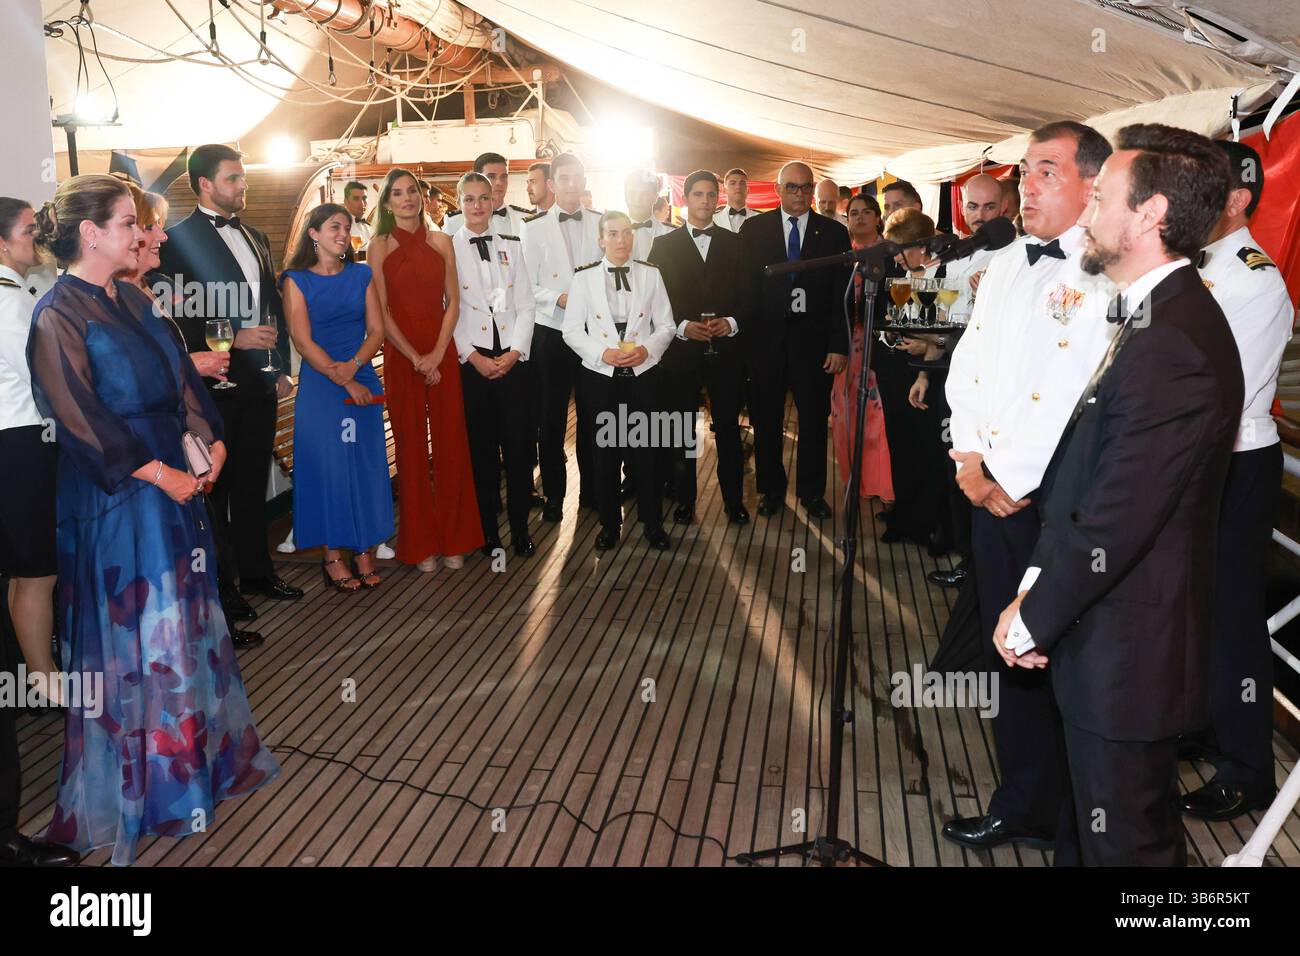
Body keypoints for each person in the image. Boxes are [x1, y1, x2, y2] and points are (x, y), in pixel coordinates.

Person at [993, 124, 1240, 866]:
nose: (1089, 210)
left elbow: (1120, 516)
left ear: (1149, 214)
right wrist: (1037, 585)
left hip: (1131, 654)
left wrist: (1034, 617)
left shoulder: (1176, 343)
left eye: (1101, 196)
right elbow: (1086, 476)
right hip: (1105, 638)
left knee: (1129, 856)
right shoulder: (1156, 312)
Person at [29, 174, 280, 866]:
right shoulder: (59, 315)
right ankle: (146, 785)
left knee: (182, 626)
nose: (141, 234)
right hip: (118, 496)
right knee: (132, 636)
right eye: (127, 222)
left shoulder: (135, 300)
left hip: (175, 485)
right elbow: (78, 419)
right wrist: (162, 472)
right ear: (91, 233)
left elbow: (183, 383)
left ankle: (188, 767)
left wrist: (212, 438)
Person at [942, 120, 1115, 853]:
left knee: (1067, 666)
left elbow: (1076, 390)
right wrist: (968, 460)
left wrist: (1007, 477)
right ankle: (1020, 802)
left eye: (1047, 171)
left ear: (1093, 187)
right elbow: (969, 365)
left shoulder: (1110, 271)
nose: (1027, 185)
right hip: (993, 491)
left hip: (1062, 502)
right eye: (1024, 171)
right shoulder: (1007, 261)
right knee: (1007, 654)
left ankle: (1076, 820)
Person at [1180, 139, 1295, 822]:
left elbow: (1221, 395)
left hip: (1233, 463)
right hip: (1197, 460)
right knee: (1195, 607)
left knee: (1232, 620)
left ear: (1237, 199)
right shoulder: (1198, 266)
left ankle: (1248, 767)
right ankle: (1205, 724)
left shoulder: (1251, 277)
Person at [155, 144, 303, 630]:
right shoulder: (174, 241)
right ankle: (222, 589)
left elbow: (272, 310)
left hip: (259, 383)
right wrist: (233, 338)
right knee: (212, 490)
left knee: (251, 481)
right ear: (204, 185)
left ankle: (258, 574)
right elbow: (171, 318)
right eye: (234, 178)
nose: (244, 185)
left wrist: (279, 365)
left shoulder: (257, 235)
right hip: (211, 386)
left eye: (243, 177)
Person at [365, 169, 481, 571]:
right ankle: (420, 544)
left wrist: (435, 354)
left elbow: (454, 303)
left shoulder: (443, 241)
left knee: (451, 445)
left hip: (441, 350)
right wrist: (416, 357)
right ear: (387, 203)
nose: (407, 199)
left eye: (411, 190)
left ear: (421, 196)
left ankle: (455, 539)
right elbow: (380, 312)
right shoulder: (377, 247)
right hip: (401, 355)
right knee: (411, 451)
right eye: (397, 193)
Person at [282, 204, 395, 587]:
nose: (343, 233)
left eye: (347, 227)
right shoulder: (296, 279)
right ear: (313, 234)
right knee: (329, 469)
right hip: (322, 386)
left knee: (363, 467)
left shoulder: (361, 274)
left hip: (361, 375)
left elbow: (377, 330)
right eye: (334, 227)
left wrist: (355, 365)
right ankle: (332, 556)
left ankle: (363, 549)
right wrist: (345, 378)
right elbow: (301, 338)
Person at [738, 160, 851, 520]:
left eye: (806, 187)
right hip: (765, 344)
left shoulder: (833, 233)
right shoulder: (753, 230)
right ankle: (770, 490)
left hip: (815, 346)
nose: (800, 194)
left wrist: (838, 345)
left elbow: (841, 296)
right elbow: (745, 290)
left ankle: (811, 493)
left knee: (814, 421)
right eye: (792, 187)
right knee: (766, 419)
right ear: (778, 189)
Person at [562, 211, 675, 551]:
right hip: (601, 377)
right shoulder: (583, 280)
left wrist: (647, 350)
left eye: (626, 233)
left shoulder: (651, 275)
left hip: (642, 375)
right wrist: (602, 353)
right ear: (600, 239)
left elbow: (667, 326)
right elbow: (571, 331)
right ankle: (609, 525)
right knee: (605, 455)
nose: (622, 240)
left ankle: (653, 524)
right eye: (613, 234)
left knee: (647, 453)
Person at [647, 170, 749, 525]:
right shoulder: (663, 245)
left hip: (727, 351)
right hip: (681, 349)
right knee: (680, 429)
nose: (705, 200)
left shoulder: (736, 243)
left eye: (710, 194)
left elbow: (749, 296)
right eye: (698, 194)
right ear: (685, 199)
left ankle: (734, 501)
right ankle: (684, 500)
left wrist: (732, 323)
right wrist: (681, 327)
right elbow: (655, 299)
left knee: (728, 430)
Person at [449, 172, 536, 557]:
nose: (478, 206)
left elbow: (527, 306)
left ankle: (520, 529)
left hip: (512, 363)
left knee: (519, 452)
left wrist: (516, 352)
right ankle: (488, 533)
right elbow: (445, 311)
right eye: (469, 199)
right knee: (481, 454)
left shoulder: (513, 246)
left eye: (484, 198)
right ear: (459, 204)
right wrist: (472, 357)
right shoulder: (446, 249)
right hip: (473, 364)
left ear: (493, 202)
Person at [0, 199, 60, 701]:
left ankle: (35, 677)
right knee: (38, 571)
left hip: (14, 440)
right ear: (1, 244)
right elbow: (43, 380)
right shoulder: (12, 301)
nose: (36, 237)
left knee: (24, 571)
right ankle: (45, 682)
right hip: (23, 439)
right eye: (27, 230)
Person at [522, 152, 603, 520]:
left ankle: (593, 493)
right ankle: (554, 496)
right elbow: (526, 286)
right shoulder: (533, 227)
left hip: (592, 333)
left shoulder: (603, 224)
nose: (572, 185)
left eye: (578, 178)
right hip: (551, 332)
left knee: (593, 417)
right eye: (565, 179)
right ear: (552, 184)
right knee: (550, 420)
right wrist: (560, 297)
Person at [829, 193, 893, 502]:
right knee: (845, 415)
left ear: (878, 217)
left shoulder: (891, 254)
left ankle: (880, 485)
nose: (860, 218)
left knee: (875, 418)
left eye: (867, 212)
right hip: (846, 346)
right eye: (854, 212)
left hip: (878, 344)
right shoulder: (842, 256)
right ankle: (854, 482)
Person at [443, 151, 532, 238]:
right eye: (491, 177)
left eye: (503, 177)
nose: (499, 182)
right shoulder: (454, 221)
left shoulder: (526, 219)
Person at [627, 169, 674, 261]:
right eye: (632, 193)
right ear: (625, 195)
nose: (638, 199)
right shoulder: (609, 235)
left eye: (644, 194)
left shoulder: (672, 234)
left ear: (655, 197)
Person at [713, 167, 758, 232]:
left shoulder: (760, 217)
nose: (738, 187)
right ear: (724, 189)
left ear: (748, 190)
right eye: (733, 183)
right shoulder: (712, 218)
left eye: (742, 183)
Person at [342, 180, 373, 252]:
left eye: (364, 198)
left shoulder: (370, 228)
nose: (362, 204)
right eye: (356, 199)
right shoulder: (340, 228)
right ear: (346, 202)